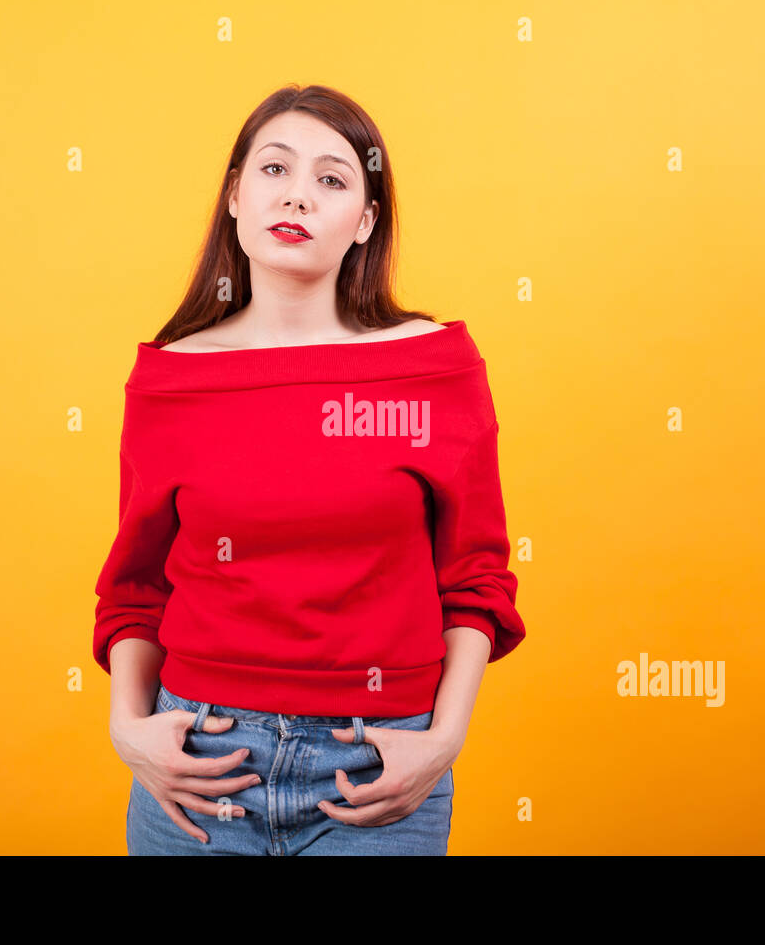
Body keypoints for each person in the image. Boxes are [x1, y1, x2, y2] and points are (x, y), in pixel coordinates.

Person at [94, 83, 526, 855]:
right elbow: (135, 589)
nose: (297, 195)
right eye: (274, 170)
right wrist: (130, 731)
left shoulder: (432, 368)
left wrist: (444, 740)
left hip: (377, 770)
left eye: (332, 179)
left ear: (364, 221)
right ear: (234, 196)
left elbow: (476, 579)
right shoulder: (170, 379)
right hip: (199, 766)